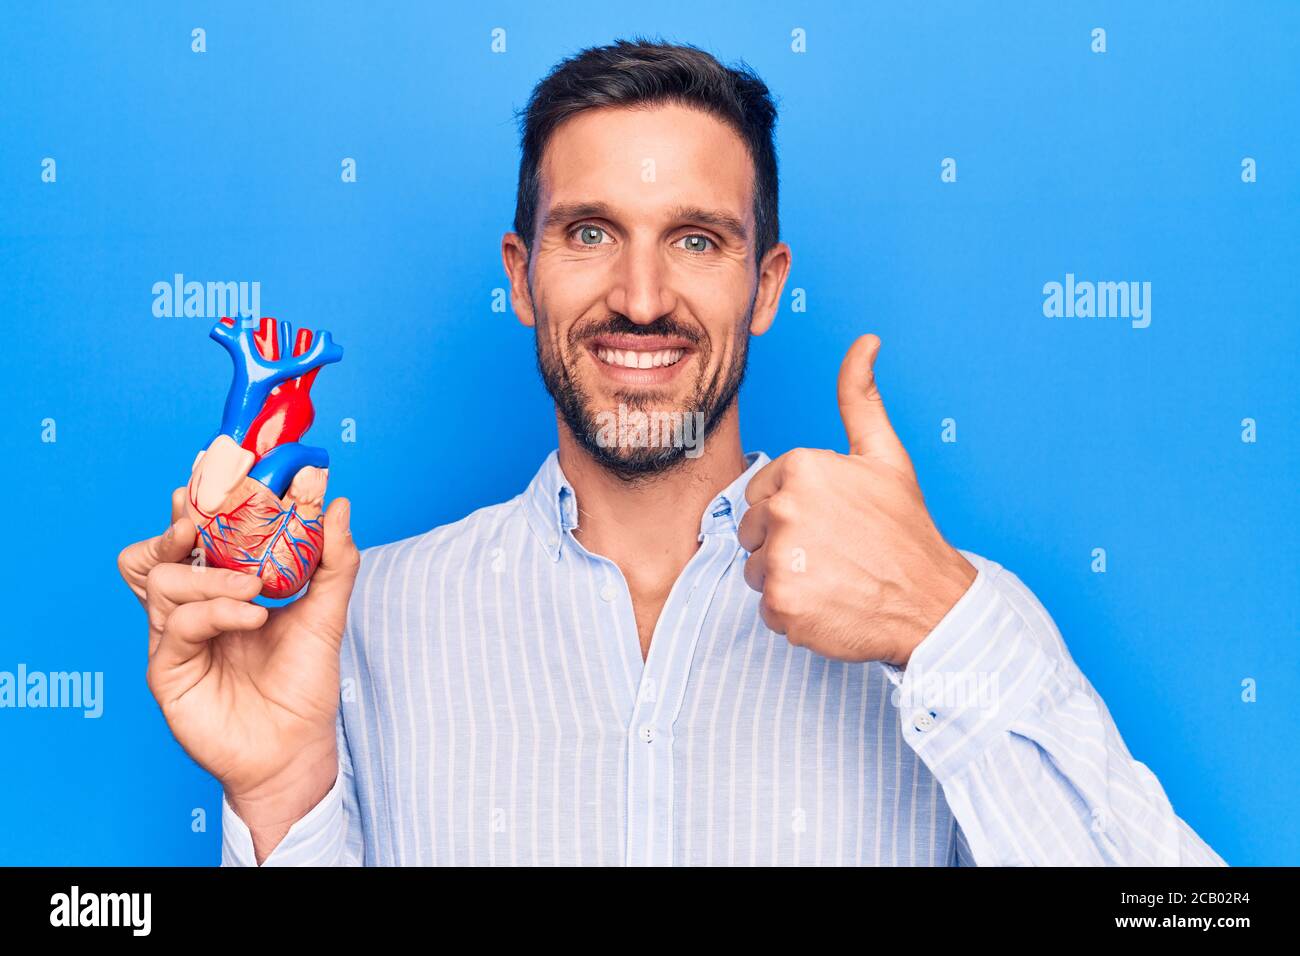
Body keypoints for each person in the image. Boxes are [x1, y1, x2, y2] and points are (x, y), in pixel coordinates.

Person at [117, 38, 1226, 866]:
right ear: (519, 273)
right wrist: (278, 790)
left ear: (767, 286)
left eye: (696, 240)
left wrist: (940, 618)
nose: (640, 299)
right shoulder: (353, 629)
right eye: (589, 232)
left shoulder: (946, 620)